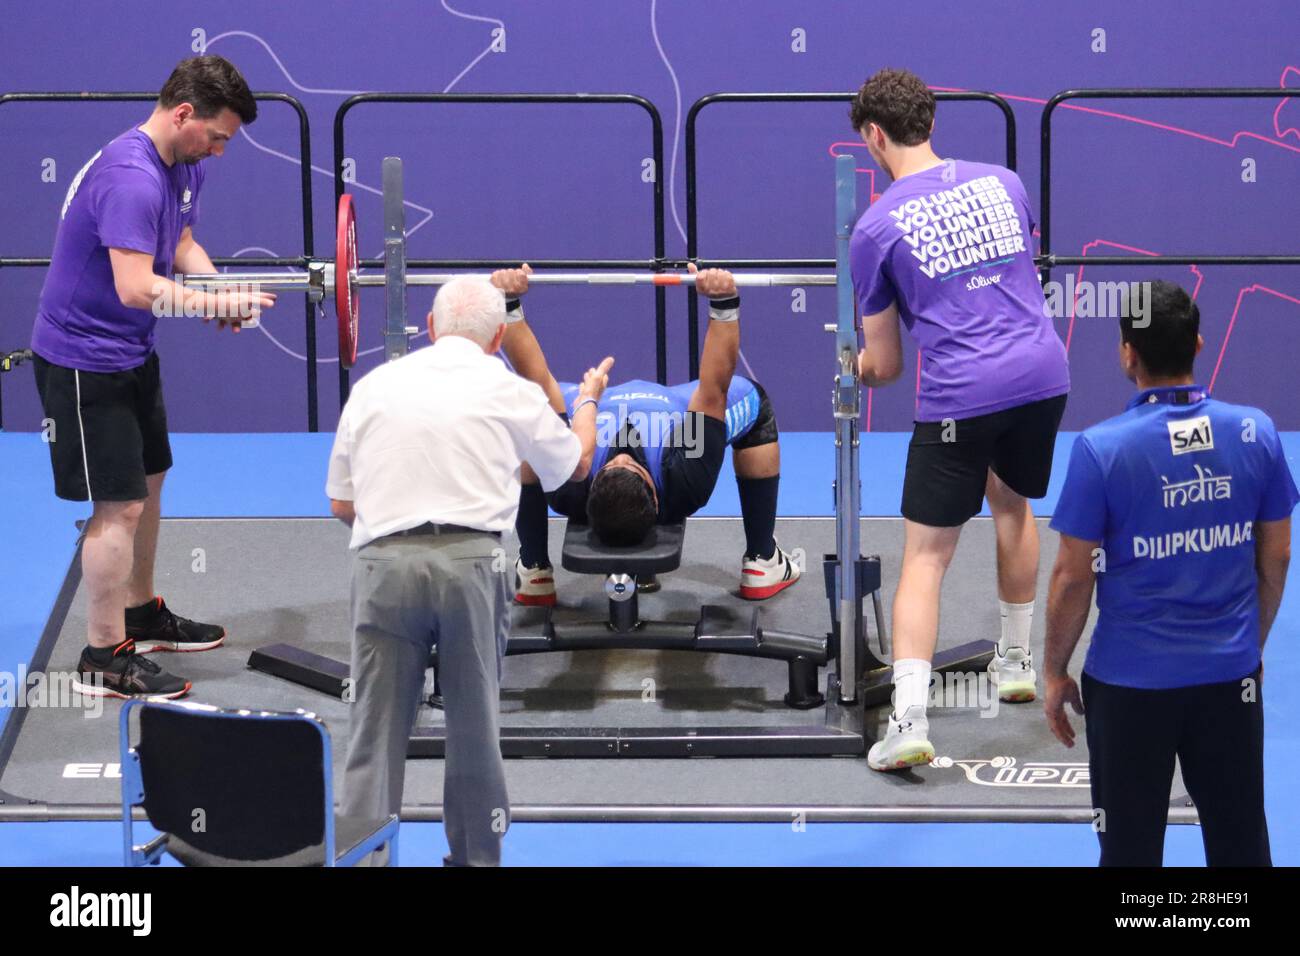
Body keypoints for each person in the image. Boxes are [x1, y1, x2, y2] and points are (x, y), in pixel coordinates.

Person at [327, 276, 610, 867]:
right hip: (473, 569)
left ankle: (361, 861)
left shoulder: (374, 386)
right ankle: (477, 861)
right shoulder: (509, 389)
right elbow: (577, 465)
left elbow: (343, 505)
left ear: (430, 329)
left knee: (371, 740)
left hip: (384, 567)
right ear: (498, 337)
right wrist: (586, 403)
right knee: (475, 733)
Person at [847, 67, 1071, 770]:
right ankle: (1015, 664)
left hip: (960, 397)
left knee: (926, 554)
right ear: (932, 122)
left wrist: (850, 364)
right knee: (1013, 505)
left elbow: (884, 367)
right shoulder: (1005, 182)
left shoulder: (876, 227)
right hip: (1042, 375)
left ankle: (908, 721)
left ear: (874, 136)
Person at [30, 55, 274, 700]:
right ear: (183, 113)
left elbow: (182, 241)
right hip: (83, 359)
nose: (220, 152)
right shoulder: (130, 177)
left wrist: (217, 286)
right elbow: (136, 286)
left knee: (149, 481)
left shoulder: (185, 165)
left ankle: (140, 615)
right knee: (119, 505)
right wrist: (207, 305)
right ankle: (103, 656)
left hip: (131, 350)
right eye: (218, 136)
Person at [1044, 280, 1295, 867]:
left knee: (1129, 854)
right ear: (1200, 343)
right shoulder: (1255, 432)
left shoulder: (1101, 449)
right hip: (1229, 679)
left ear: (1127, 353)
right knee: (1240, 846)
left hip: (1130, 689)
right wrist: (1247, 646)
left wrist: (1054, 672)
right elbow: (1276, 554)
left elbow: (1072, 579)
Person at [494, 265, 801, 605]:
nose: (624, 454)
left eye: (614, 465)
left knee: (533, 421)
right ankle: (762, 560)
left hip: (593, 404)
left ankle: (534, 567)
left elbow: (537, 381)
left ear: (592, 488)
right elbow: (714, 387)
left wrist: (508, 303)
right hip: (673, 406)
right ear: (657, 500)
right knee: (755, 404)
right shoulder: (682, 474)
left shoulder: (571, 481)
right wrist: (723, 302)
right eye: (632, 466)